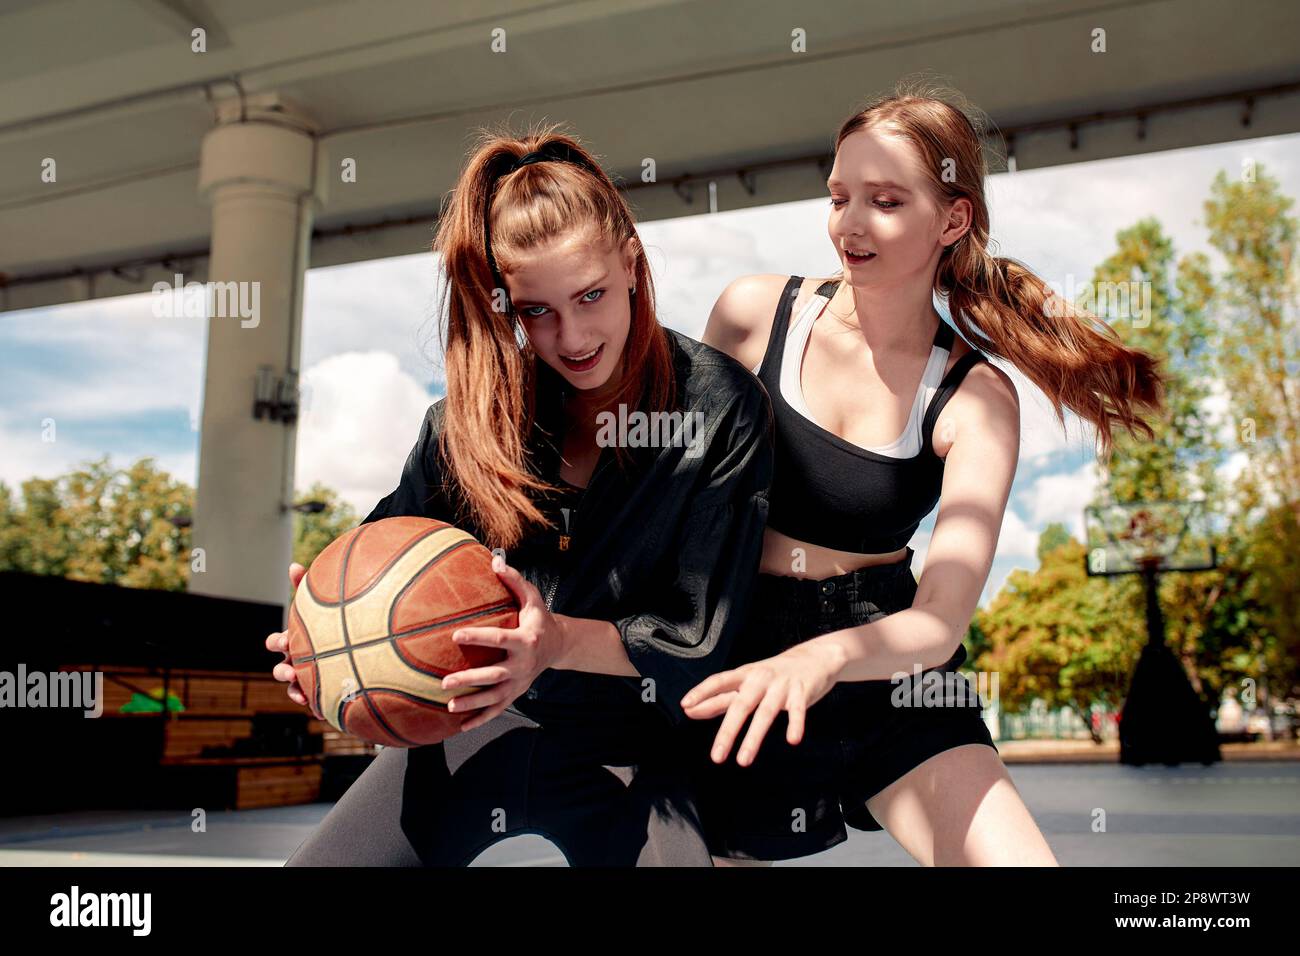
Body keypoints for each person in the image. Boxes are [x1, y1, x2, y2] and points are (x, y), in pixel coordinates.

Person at [682, 83, 1165, 866]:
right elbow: (680, 501)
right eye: (840, 197)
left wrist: (823, 658)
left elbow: (939, 622)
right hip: (740, 653)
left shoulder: (976, 397)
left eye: (885, 201)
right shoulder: (751, 314)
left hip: (886, 658)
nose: (851, 223)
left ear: (952, 218)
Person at [267, 125, 773, 866]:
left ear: (632, 262)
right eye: (536, 311)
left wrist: (555, 642)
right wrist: (323, 641)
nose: (571, 336)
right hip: (482, 717)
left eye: (591, 294)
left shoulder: (718, 405)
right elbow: (382, 557)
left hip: (644, 742)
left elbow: (701, 644)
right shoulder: (467, 421)